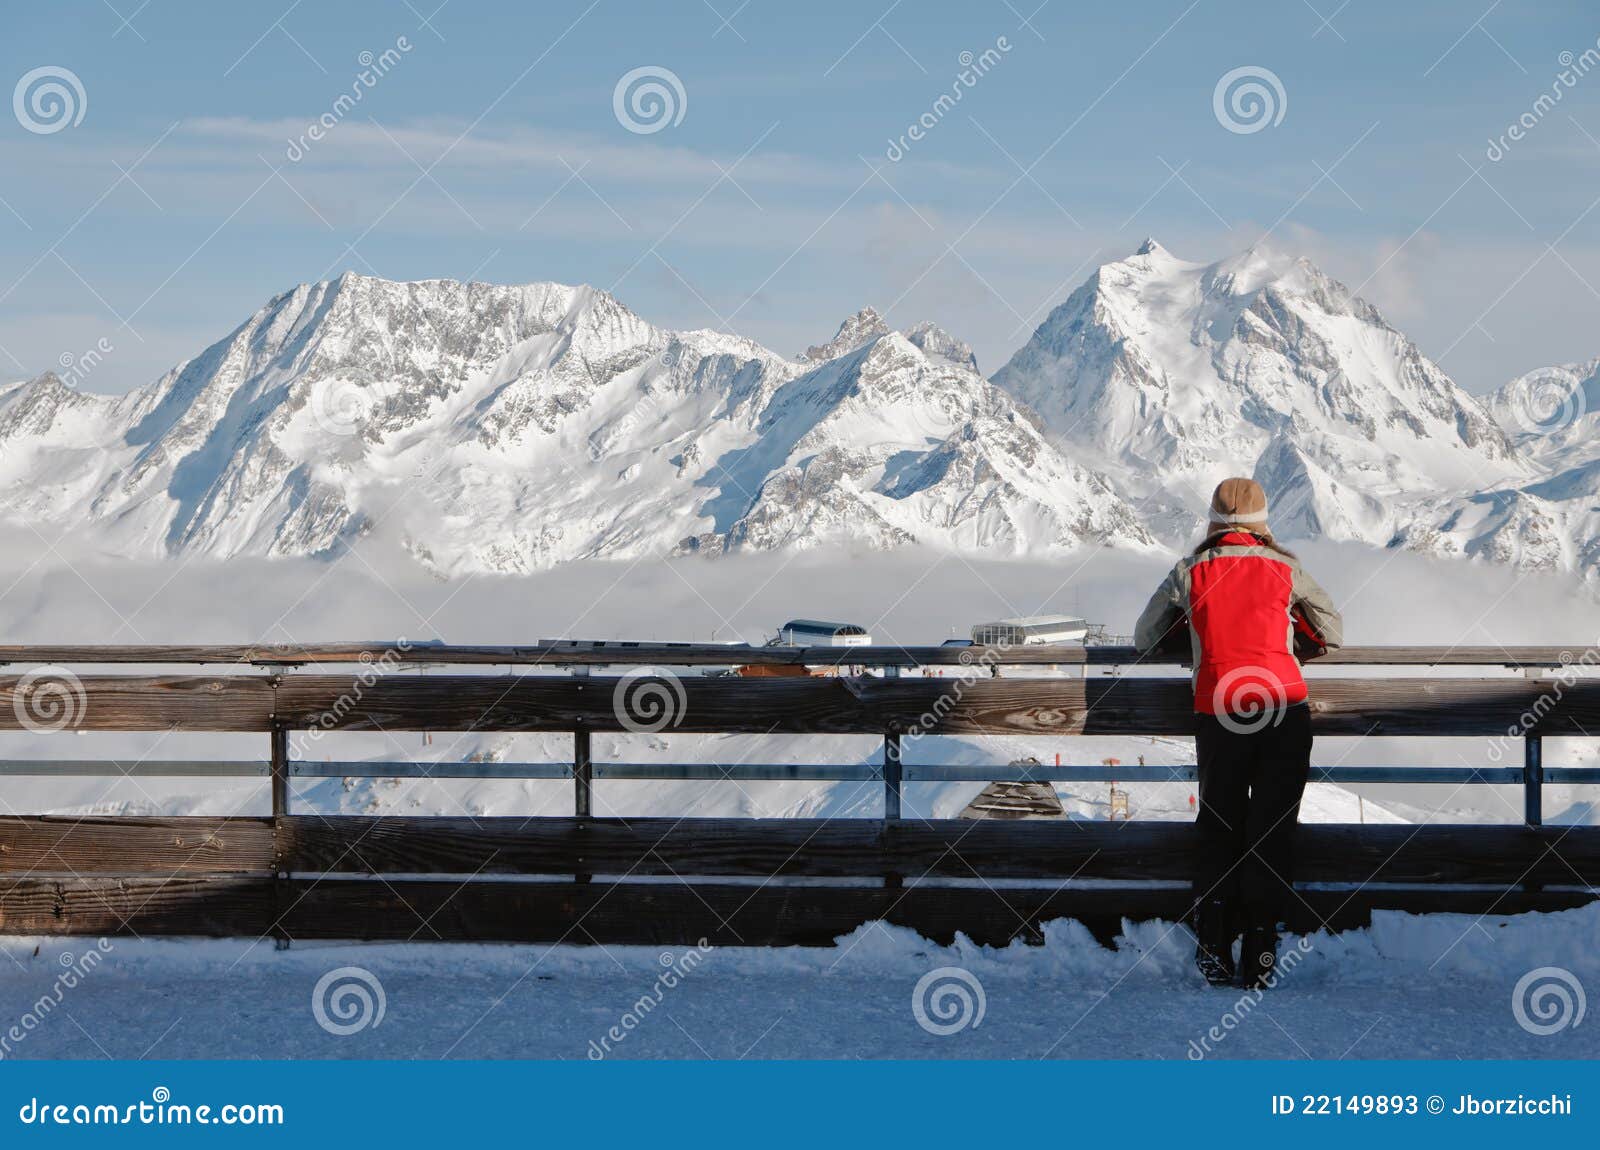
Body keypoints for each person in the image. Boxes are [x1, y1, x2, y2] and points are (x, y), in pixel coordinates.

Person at [1134, 477, 1343, 989]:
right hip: (1284, 707)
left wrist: (1196, 632)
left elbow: (1145, 637)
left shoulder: (1190, 570)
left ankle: (1213, 939)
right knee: (1272, 828)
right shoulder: (1285, 568)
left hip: (1221, 709)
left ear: (1211, 521)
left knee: (1220, 823)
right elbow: (1331, 631)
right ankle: (1261, 949)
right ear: (1263, 523)